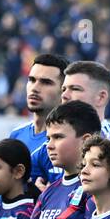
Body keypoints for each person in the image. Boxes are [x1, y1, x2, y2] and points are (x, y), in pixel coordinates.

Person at [9, 54, 69, 183]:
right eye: (31, 80)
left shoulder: (68, 141)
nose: (35, 88)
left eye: (46, 82)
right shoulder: (16, 134)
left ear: (64, 91)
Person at [61, 60, 110, 144]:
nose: (64, 95)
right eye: (63, 89)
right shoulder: (50, 141)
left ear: (101, 97)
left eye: (75, 89)